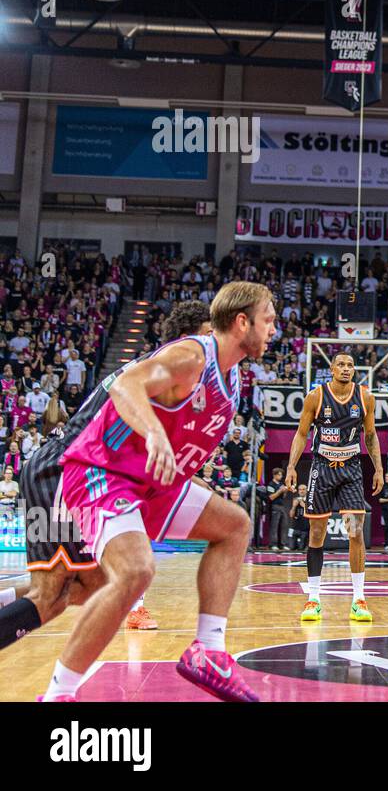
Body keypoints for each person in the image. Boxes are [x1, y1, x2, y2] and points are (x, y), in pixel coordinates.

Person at [0, 284, 273, 701]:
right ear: (240, 322)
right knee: (83, 585)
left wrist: (193, 481)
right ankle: (58, 695)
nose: (274, 329)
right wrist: (155, 437)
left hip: (145, 481)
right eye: (269, 319)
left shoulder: (231, 377)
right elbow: (127, 385)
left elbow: (179, 450)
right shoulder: (190, 356)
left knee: (233, 526)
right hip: (85, 468)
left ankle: (210, 651)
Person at [0, 300, 212, 650]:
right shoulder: (160, 374)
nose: (210, 351)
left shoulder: (159, 372)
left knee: (85, 586)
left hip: (56, 469)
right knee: (52, 595)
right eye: (206, 339)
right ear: (187, 340)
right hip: (64, 471)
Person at [285, 352, 383, 623]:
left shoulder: (365, 397)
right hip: (322, 468)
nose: (346, 368)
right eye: (340, 364)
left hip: (351, 470)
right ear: (331, 369)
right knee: (316, 534)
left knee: (355, 532)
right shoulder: (316, 397)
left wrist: (379, 469)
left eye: (350, 365)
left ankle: (359, 599)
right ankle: (313, 599)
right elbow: (301, 434)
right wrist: (292, 467)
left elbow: (371, 436)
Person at [265, 468, 292, 551]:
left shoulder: (281, 484)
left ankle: (283, 544)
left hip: (282, 506)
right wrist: (280, 490)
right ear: (274, 475)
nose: (281, 476)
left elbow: (283, 497)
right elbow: (271, 497)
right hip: (275, 506)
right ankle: (273, 544)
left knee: (284, 525)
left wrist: (285, 491)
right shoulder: (271, 485)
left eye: (281, 475)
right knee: (274, 525)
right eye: (279, 475)